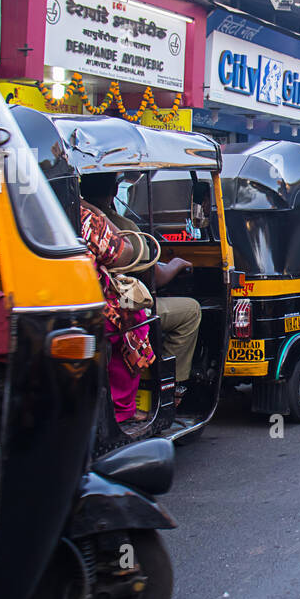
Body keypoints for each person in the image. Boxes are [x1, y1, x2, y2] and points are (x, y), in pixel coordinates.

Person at [78, 174, 200, 402]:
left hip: (86, 304)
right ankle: (173, 388)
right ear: (115, 190)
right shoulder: (117, 227)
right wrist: (176, 265)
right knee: (191, 310)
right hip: (117, 304)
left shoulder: (67, 218)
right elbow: (155, 276)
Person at [78, 194, 155, 422]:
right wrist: (94, 208)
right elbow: (124, 253)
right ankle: (121, 408)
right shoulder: (84, 218)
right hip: (85, 306)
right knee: (135, 319)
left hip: (35, 301)